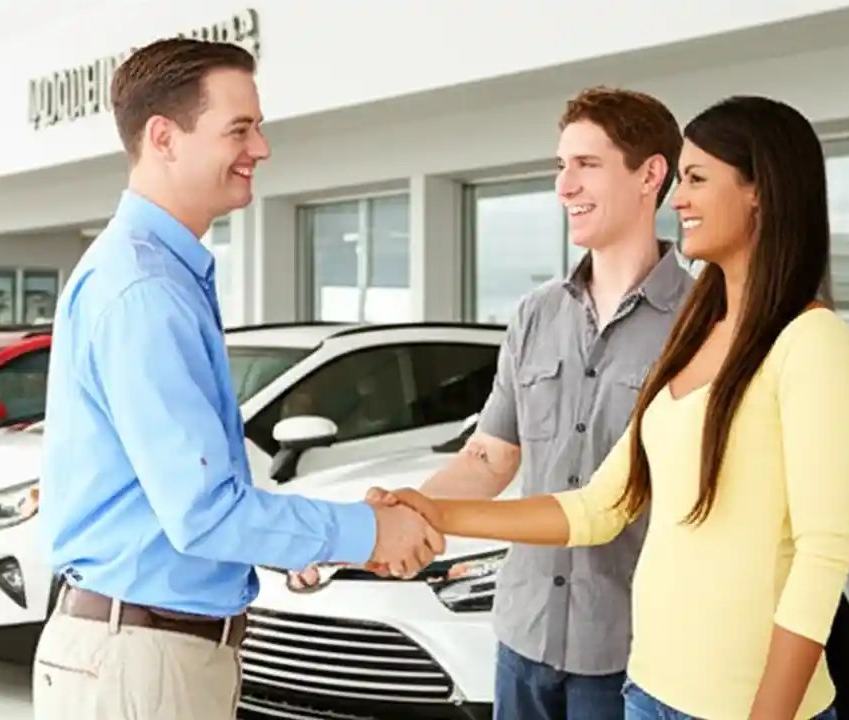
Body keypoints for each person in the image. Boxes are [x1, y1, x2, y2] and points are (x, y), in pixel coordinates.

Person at [372, 96, 849, 720]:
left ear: (759, 192)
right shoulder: (695, 331)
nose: (680, 200)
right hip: (650, 690)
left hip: (735, 704)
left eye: (697, 179)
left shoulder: (811, 341)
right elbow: (599, 505)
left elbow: (822, 559)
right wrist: (431, 509)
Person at [33, 38, 443, 719]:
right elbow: (204, 514)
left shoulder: (153, 275)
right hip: (144, 661)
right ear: (164, 137)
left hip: (148, 652)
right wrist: (370, 532)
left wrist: (291, 543)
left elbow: (183, 505)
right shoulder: (144, 290)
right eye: (239, 128)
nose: (262, 148)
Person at [294, 86, 692, 720]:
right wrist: (401, 513)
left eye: (586, 164)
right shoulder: (537, 314)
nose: (564, 186)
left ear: (651, 175)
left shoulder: (700, 323)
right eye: (560, 166)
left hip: (637, 649)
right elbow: (489, 456)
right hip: (523, 636)